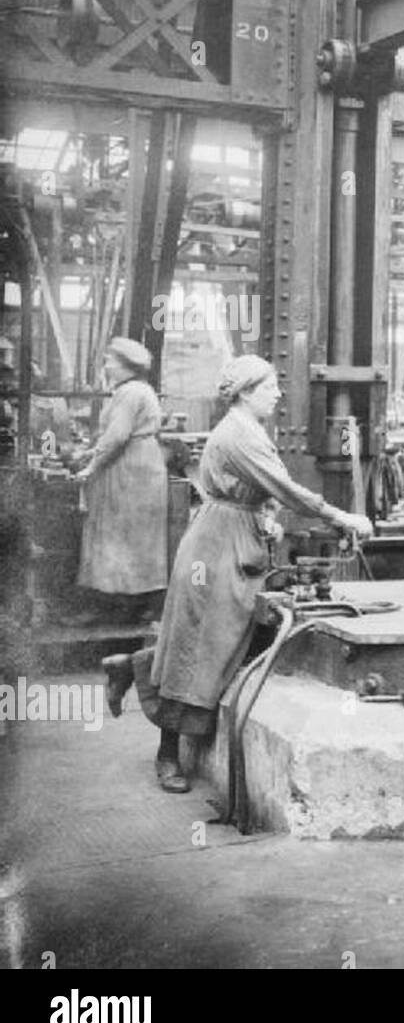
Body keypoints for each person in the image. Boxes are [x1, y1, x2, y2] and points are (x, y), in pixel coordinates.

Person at [119, 355, 373, 793]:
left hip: (235, 536)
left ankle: (131, 668)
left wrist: (265, 516)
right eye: (270, 386)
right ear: (246, 392)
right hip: (215, 548)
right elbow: (288, 489)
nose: (277, 393)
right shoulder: (237, 435)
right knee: (198, 646)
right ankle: (167, 754)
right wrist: (343, 518)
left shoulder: (251, 430)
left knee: (223, 639)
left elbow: (263, 491)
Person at [71, 337, 169, 623]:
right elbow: (118, 434)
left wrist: (91, 466)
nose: (107, 366)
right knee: (139, 538)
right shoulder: (140, 390)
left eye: (110, 360)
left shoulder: (128, 393)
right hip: (142, 463)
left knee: (117, 535)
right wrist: (93, 451)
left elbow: (117, 436)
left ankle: (110, 607)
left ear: (126, 365)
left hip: (128, 469)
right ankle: (138, 604)